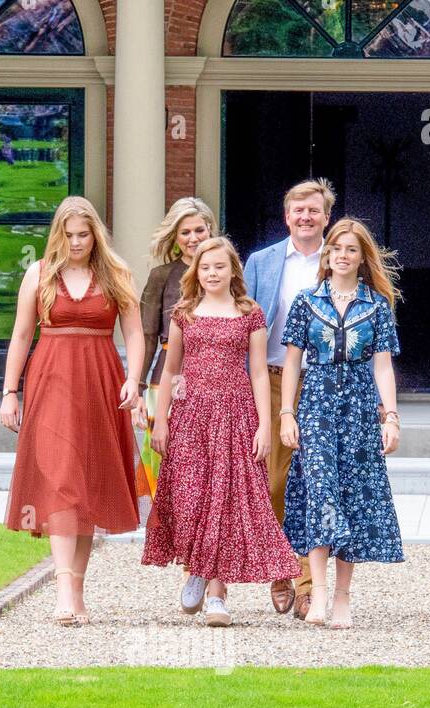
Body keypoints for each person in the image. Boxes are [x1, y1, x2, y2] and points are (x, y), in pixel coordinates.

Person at [0, 196, 148, 626]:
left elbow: (135, 334)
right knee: (62, 480)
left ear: (95, 233)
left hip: (101, 383)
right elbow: (21, 335)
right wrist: (10, 392)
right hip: (50, 382)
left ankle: (76, 592)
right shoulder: (39, 274)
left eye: (84, 234)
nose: (77, 242)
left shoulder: (116, 273)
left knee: (88, 484)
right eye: (69, 235)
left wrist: (134, 380)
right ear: (58, 234)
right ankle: (64, 589)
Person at [141, 237, 299, 627]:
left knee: (224, 502)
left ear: (233, 271)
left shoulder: (250, 313)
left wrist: (266, 424)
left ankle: (216, 594)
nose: (212, 273)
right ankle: (196, 566)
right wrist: (160, 421)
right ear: (197, 272)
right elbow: (170, 370)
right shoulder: (185, 312)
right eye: (206, 267)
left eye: (220, 267)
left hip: (236, 415)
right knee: (192, 497)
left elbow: (260, 372)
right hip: (192, 416)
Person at [279, 218, 404, 630]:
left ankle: (343, 597)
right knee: (319, 492)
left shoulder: (376, 307)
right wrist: (286, 413)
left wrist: (391, 417)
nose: (343, 256)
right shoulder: (305, 301)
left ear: (361, 257)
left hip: (359, 408)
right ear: (327, 255)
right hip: (315, 406)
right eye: (337, 249)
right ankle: (316, 591)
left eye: (351, 250)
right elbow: (292, 362)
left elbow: (383, 366)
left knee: (352, 497)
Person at [243, 178, 336, 620]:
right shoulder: (260, 263)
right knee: (276, 483)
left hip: (323, 383)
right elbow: (238, 322)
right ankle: (280, 567)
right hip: (274, 380)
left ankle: (305, 586)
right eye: (298, 210)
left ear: (326, 216)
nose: (305, 217)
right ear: (286, 217)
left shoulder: (338, 260)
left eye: (314, 210)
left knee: (314, 484)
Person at [138, 197, 217, 616]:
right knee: (171, 486)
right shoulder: (160, 278)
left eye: (199, 231)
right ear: (174, 236)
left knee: (213, 483)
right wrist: (137, 390)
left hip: (218, 387)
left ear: (211, 231)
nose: (192, 239)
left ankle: (206, 571)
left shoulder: (226, 273)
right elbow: (148, 339)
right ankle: (192, 564)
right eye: (185, 232)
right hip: (165, 385)